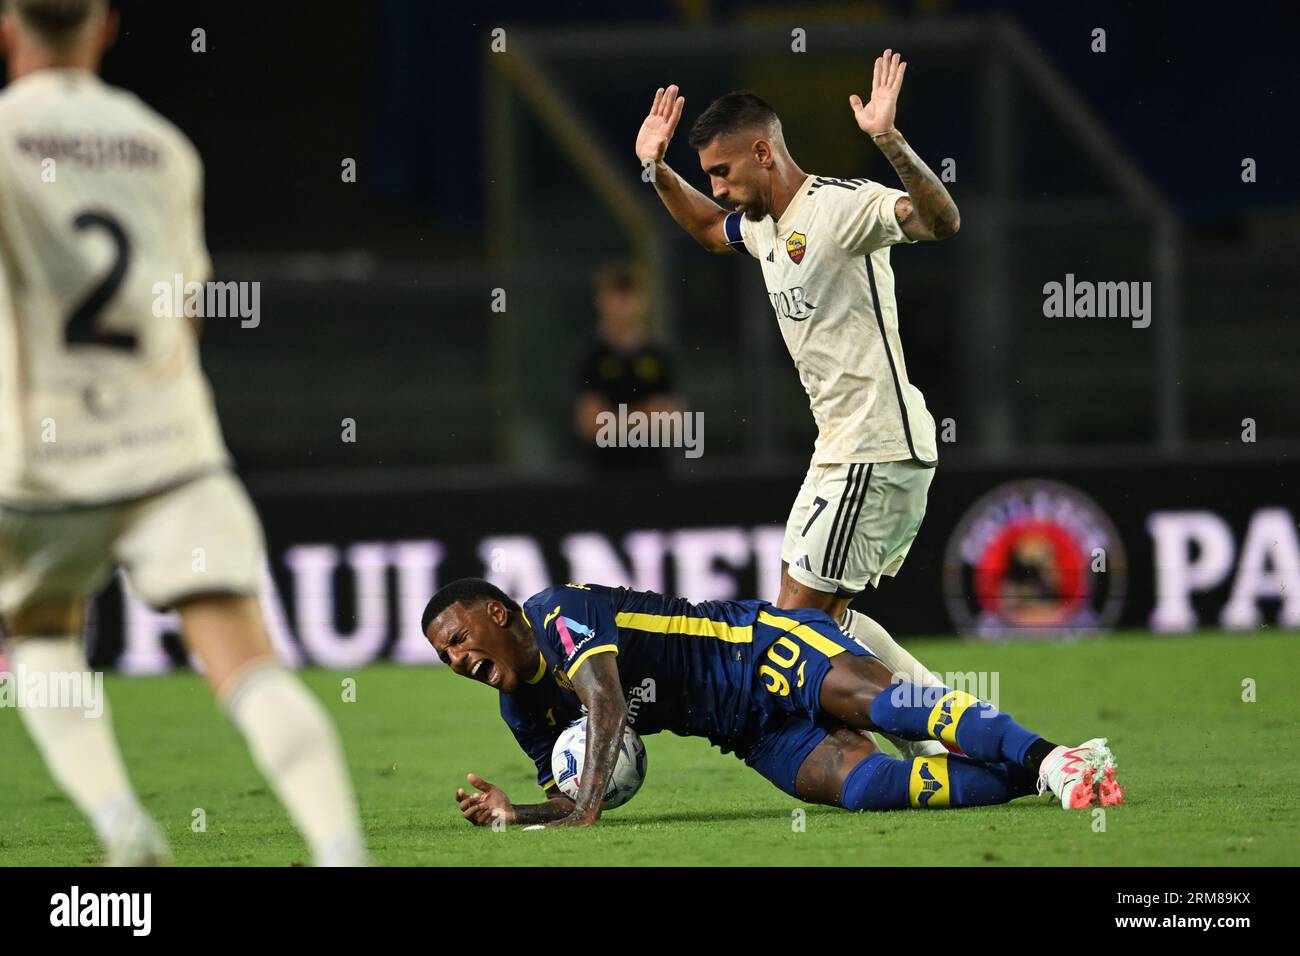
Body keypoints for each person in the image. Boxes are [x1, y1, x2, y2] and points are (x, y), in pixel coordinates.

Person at [0, 0, 366, 865]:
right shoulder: (164, 147)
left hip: (38, 460)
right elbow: (188, 310)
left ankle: (125, 829)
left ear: (9, 29)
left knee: (45, 633)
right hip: (170, 450)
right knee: (246, 660)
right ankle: (342, 849)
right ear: (105, 28)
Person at [634, 51, 958, 760]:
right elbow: (702, 230)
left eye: (722, 172)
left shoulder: (841, 207)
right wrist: (657, 171)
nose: (717, 187)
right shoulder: (762, 227)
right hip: (841, 448)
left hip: (875, 445)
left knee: (796, 633)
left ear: (762, 151)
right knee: (822, 623)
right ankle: (948, 736)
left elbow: (941, 221)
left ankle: (936, 744)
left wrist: (890, 142)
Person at [422, 578, 1124, 827]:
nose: (456, 660)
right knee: (868, 789)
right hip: (746, 732)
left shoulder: (556, 613)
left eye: (457, 638)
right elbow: (565, 792)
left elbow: (605, 704)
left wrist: (585, 812)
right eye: (444, 656)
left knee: (890, 706)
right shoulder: (521, 711)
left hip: (755, 649)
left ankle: (1047, 753)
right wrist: (524, 812)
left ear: (496, 612)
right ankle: (1055, 772)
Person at [574, 261, 683, 474]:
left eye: (630, 293)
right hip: (604, 476)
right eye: (618, 294)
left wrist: (614, 420)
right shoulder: (591, 356)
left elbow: (674, 421)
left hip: (654, 475)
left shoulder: (658, 355)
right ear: (602, 300)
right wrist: (647, 416)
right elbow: (591, 425)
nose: (624, 303)